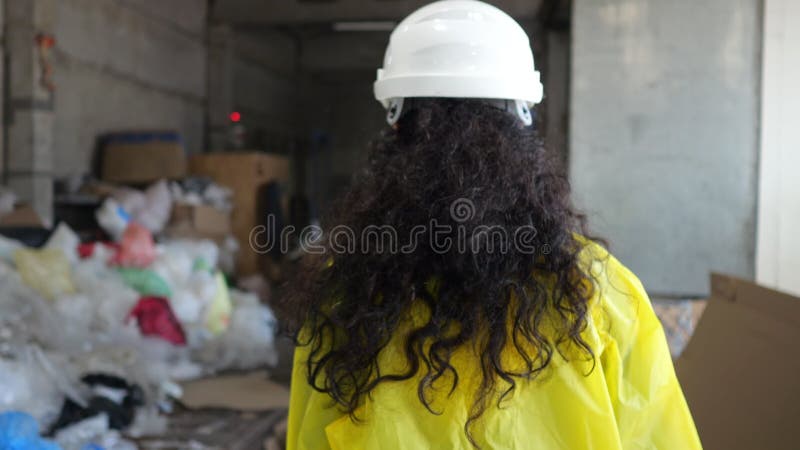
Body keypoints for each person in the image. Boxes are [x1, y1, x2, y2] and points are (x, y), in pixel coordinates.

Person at [282, 1, 702, 449]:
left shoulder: (344, 293)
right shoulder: (601, 292)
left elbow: (309, 440)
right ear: (523, 124)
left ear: (396, 126)